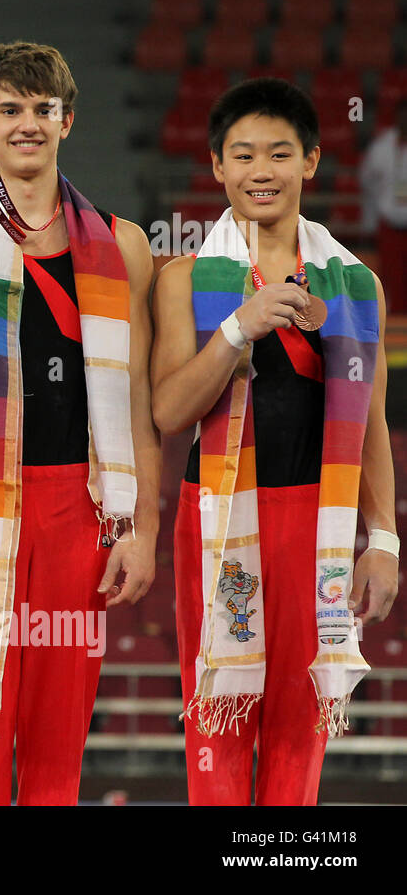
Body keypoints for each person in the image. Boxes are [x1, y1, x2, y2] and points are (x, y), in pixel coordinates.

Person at [0, 42, 160, 805]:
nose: (27, 124)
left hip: (79, 513)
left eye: (42, 110)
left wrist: (141, 528)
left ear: (68, 122)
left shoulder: (124, 245)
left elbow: (139, 407)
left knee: (58, 745)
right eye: (8, 110)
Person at [152, 78, 398, 805]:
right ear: (218, 167)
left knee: (300, 732)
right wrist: (238, 327)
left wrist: (382, 538)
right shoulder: (185, 280)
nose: (262, 171)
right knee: (220, 729)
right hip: (224, 515)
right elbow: (169, 411)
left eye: (280, 154)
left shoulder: (359, 286)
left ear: (311, 162)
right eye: (244, 155)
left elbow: (373, 420)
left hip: (316, 521)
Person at [358, 100, 407, 312]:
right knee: (389, 275)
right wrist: (369, 221)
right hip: (388, 221)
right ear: (397, 118)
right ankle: (392, 322)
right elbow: (366, 183)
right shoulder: (381, 147)